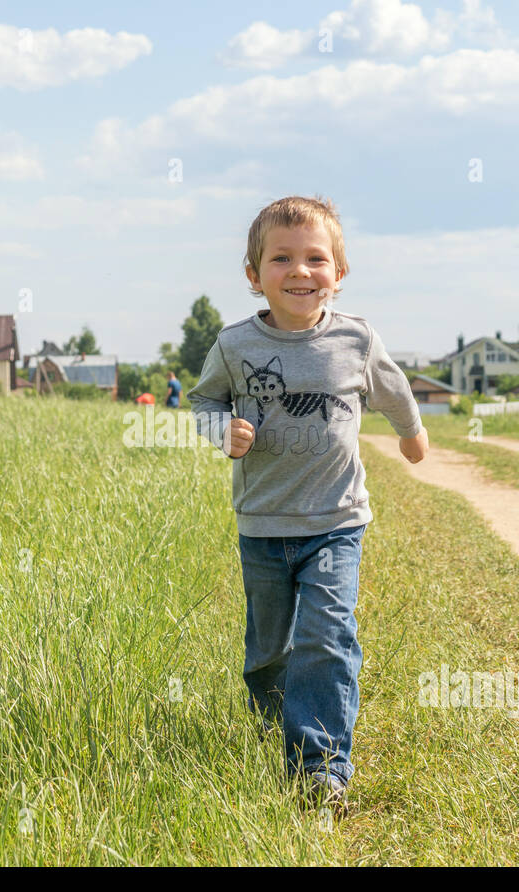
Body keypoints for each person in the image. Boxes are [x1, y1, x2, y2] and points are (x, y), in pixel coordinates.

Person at [188, 195, 429, 816]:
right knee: (269, 651)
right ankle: (272, 722)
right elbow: (204, 402)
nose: (300, 271)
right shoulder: (236, 345)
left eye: (316, 258)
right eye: (282, 258)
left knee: (327, 635)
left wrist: (411, 434)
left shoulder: (355, 339)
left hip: (336, 521)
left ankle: (320, 768)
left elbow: (395, 390)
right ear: (253, 274)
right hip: (264, 523)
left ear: (339, 272)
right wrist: (224, 433)